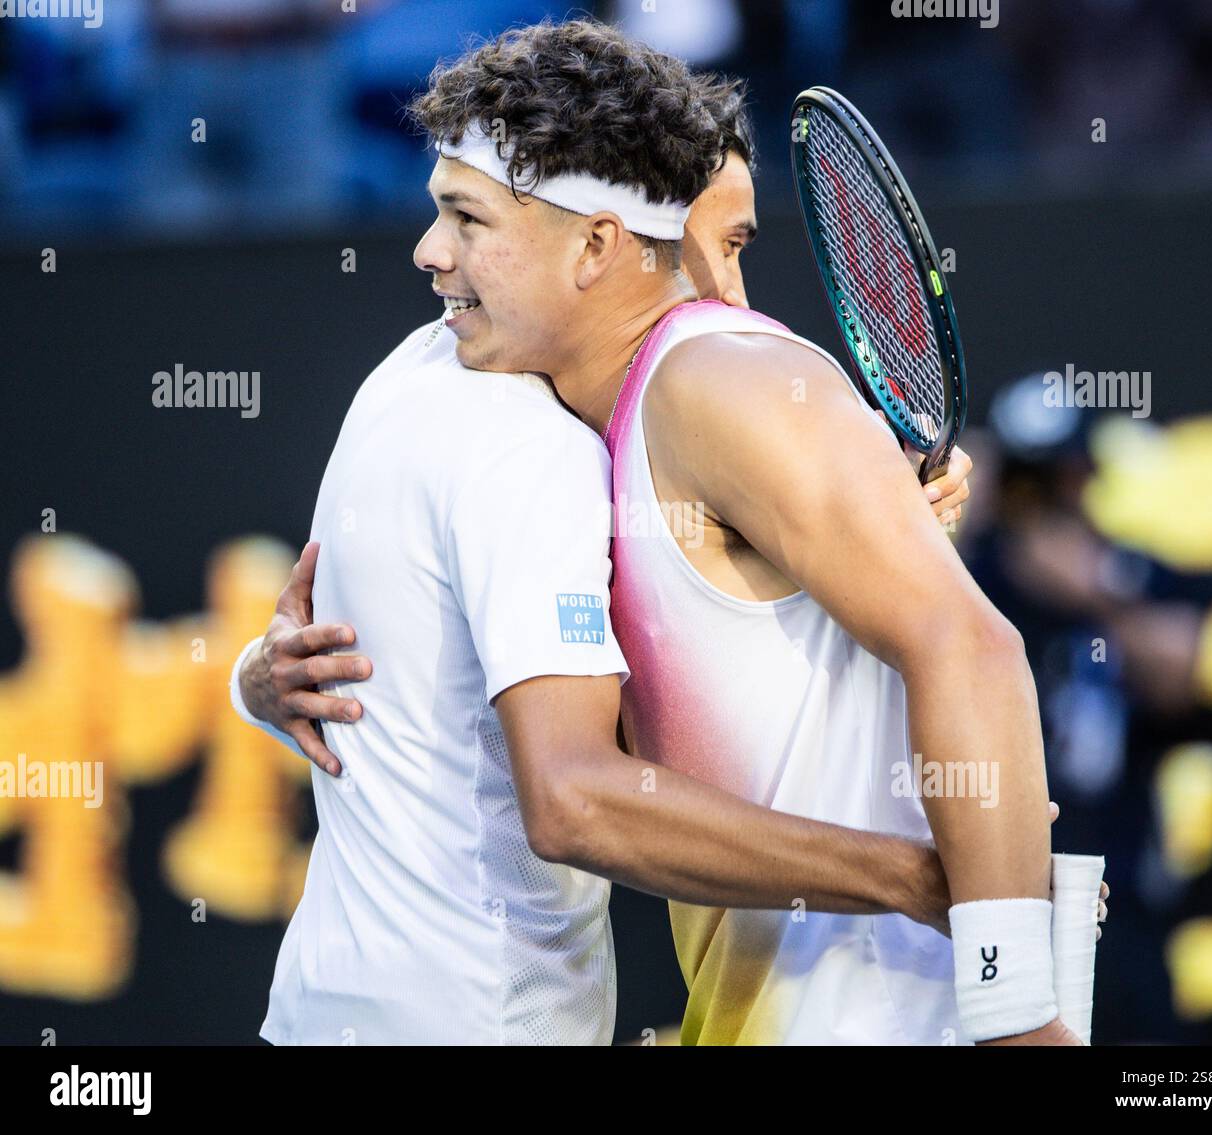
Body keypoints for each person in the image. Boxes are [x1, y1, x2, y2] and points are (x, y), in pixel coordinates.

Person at [237, 20, 1102, 1046]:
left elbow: (973, 646)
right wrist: (263, 673)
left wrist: (1018, 1018)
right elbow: (586, 762)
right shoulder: (505, 407)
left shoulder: (715, 385)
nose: (427, 254)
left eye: (466, 219)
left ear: (597, 245)